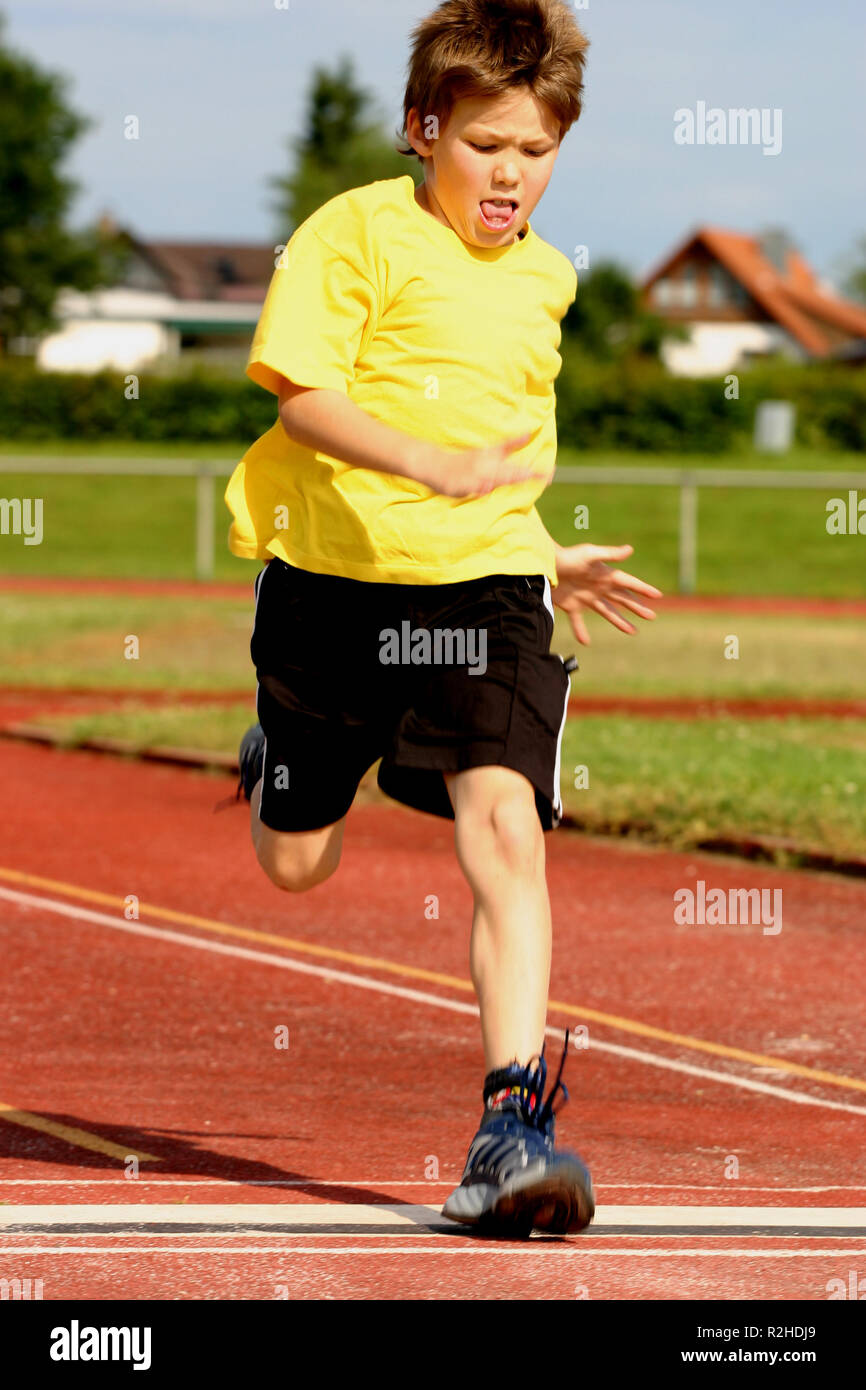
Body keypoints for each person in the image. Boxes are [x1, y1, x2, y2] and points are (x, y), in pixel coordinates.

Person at [225, 0, 661, 1238]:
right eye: (486, 147)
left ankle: (509, 1123)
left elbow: (507, 451)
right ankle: (274, 769)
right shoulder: (350, 233)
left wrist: (537, 553)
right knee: (298, 862)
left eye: (537, 151)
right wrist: (426, 463)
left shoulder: (545, 279)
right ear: (425, 131)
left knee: (506, 825)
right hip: (329, 582)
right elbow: (302, 396)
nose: (511, 176)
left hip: (484, 587)